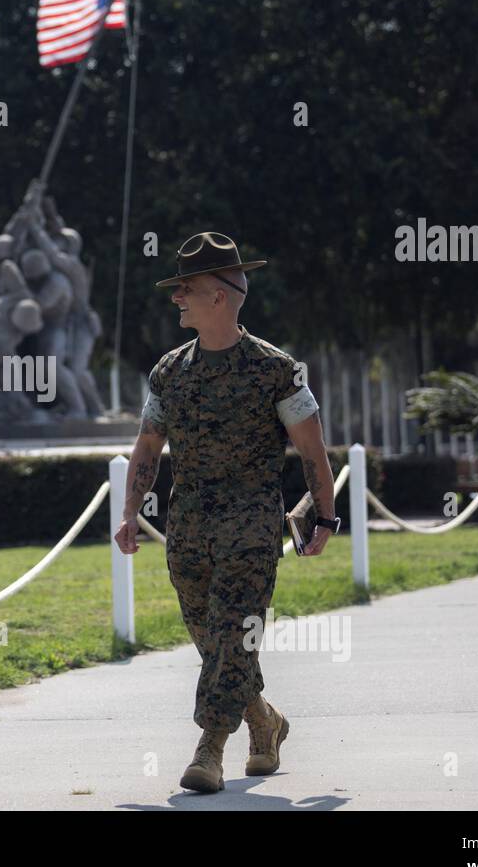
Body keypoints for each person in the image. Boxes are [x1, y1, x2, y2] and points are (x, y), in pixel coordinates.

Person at [113, 232, 340, 793]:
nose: (176, 299)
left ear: (220, 295)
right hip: (187, 526)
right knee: (213, 639)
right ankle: (264, 721)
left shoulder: (275, 370)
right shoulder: (169, 370)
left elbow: (312, 452)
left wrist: (326, 517)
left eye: (185, 289)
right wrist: (129, 511)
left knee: (236, 631)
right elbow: (147, 446)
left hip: (251, 526)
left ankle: (209, 748)